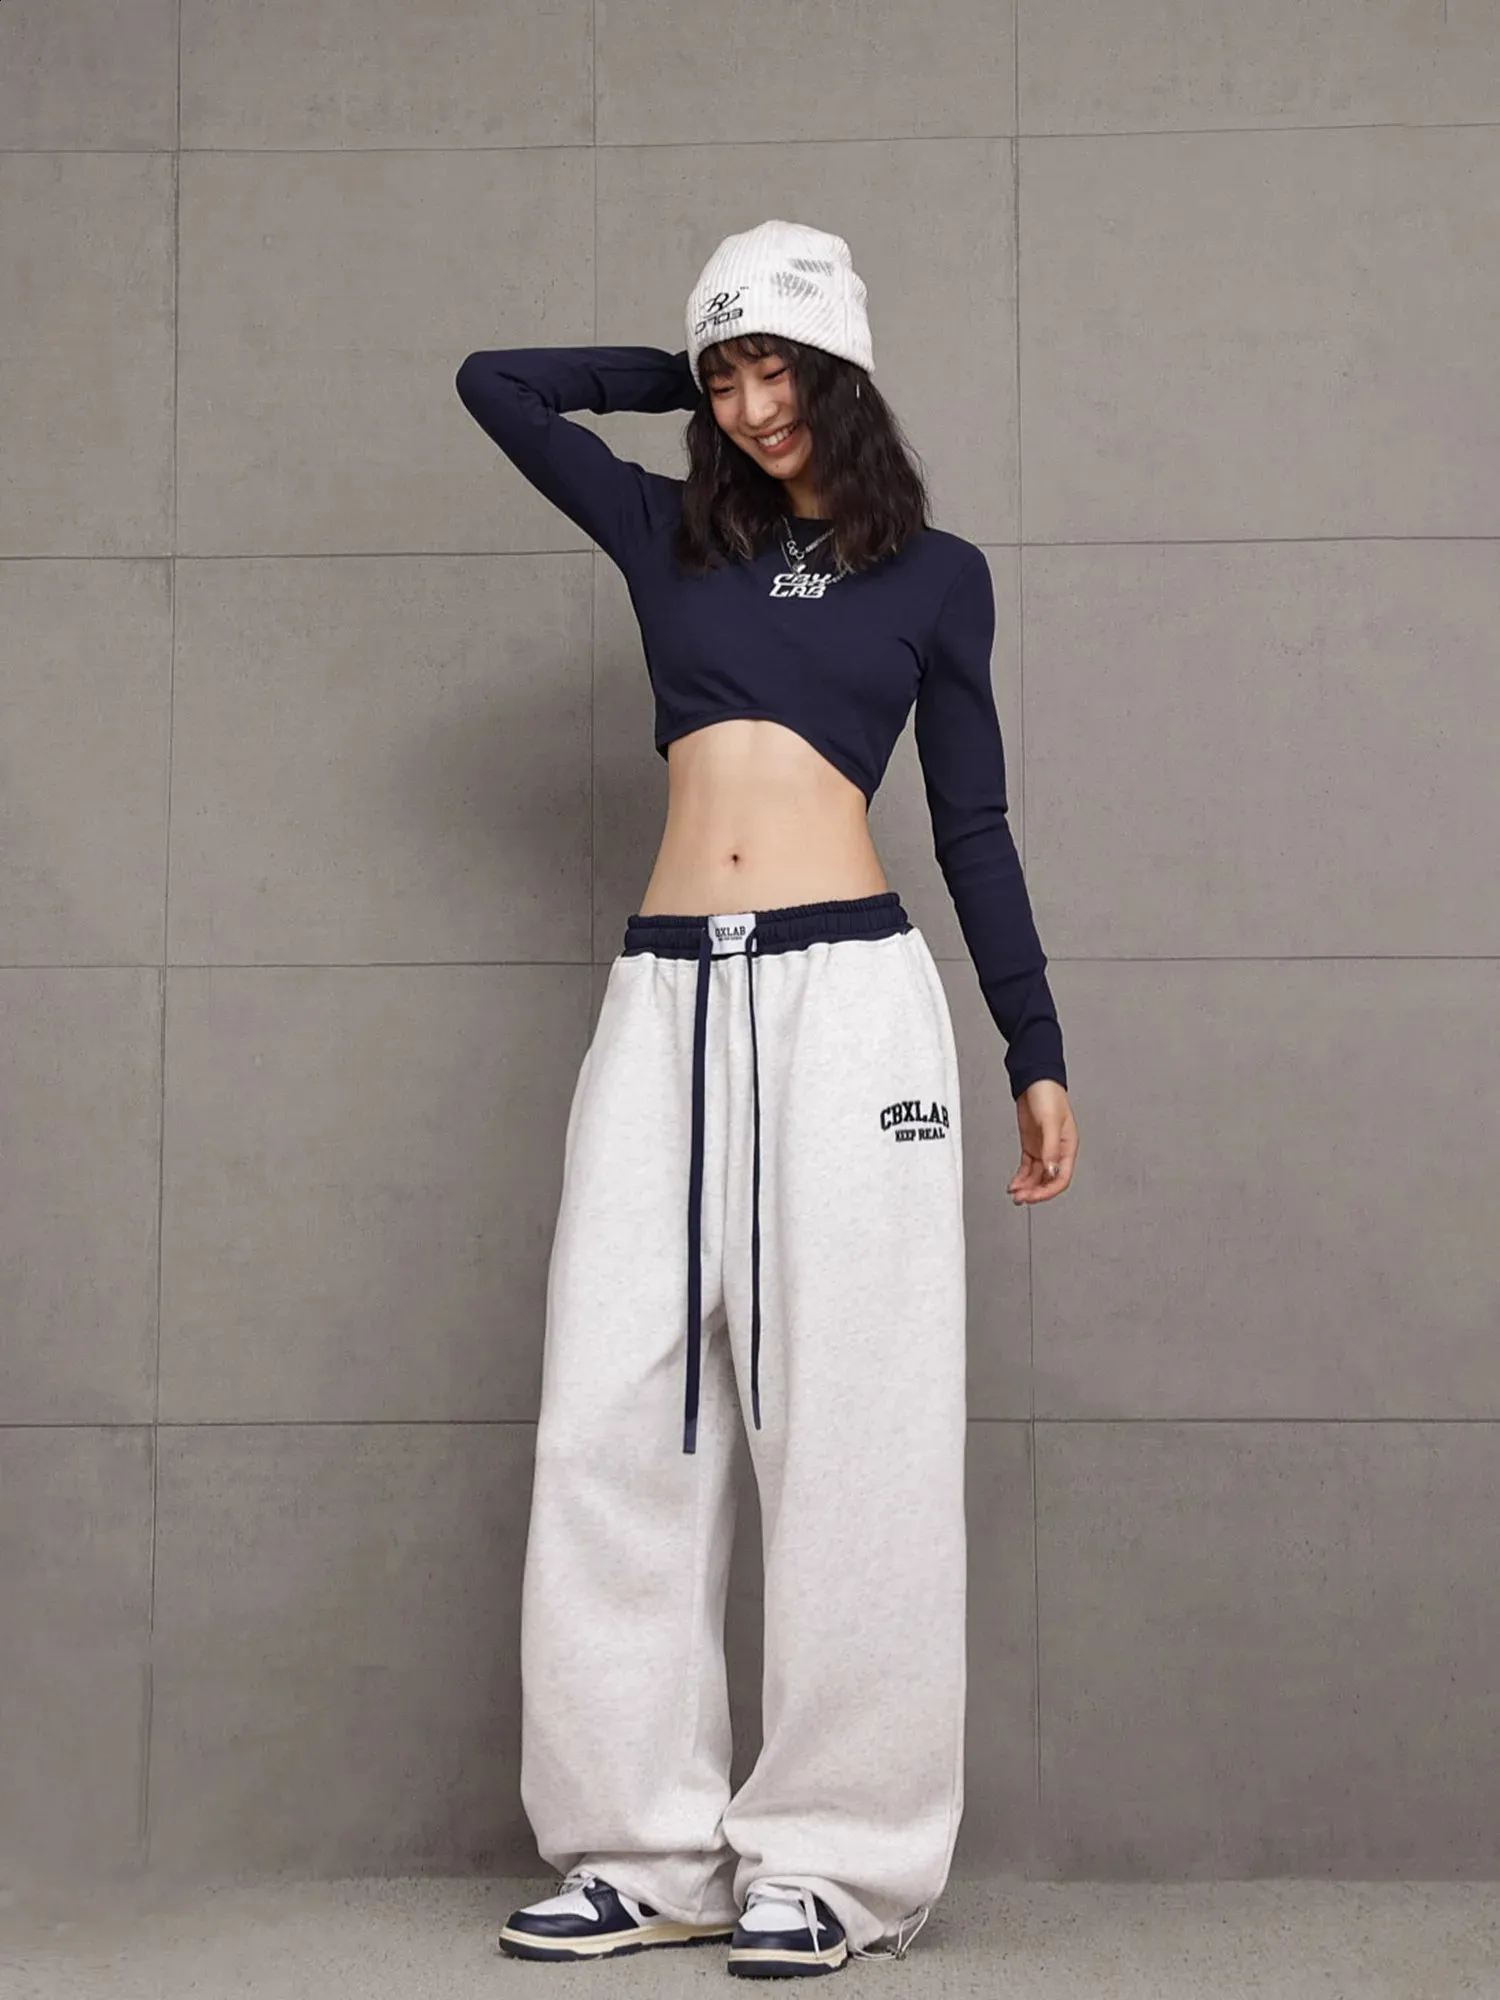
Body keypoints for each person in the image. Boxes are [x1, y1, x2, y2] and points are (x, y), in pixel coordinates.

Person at [455, 218, 1078, 1977]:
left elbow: (974, 825)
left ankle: (838, 1859)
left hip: (850, 1001)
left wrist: (1033, 1047)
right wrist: (679, 370)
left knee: (855, 1418)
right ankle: (641, 1847)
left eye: (778, 367)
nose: (750, 404)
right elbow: (495, 388)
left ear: (843, 370)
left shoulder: (936, 575)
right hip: (666, 1001)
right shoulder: (669, 531)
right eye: (725, 375)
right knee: (616, 1410)